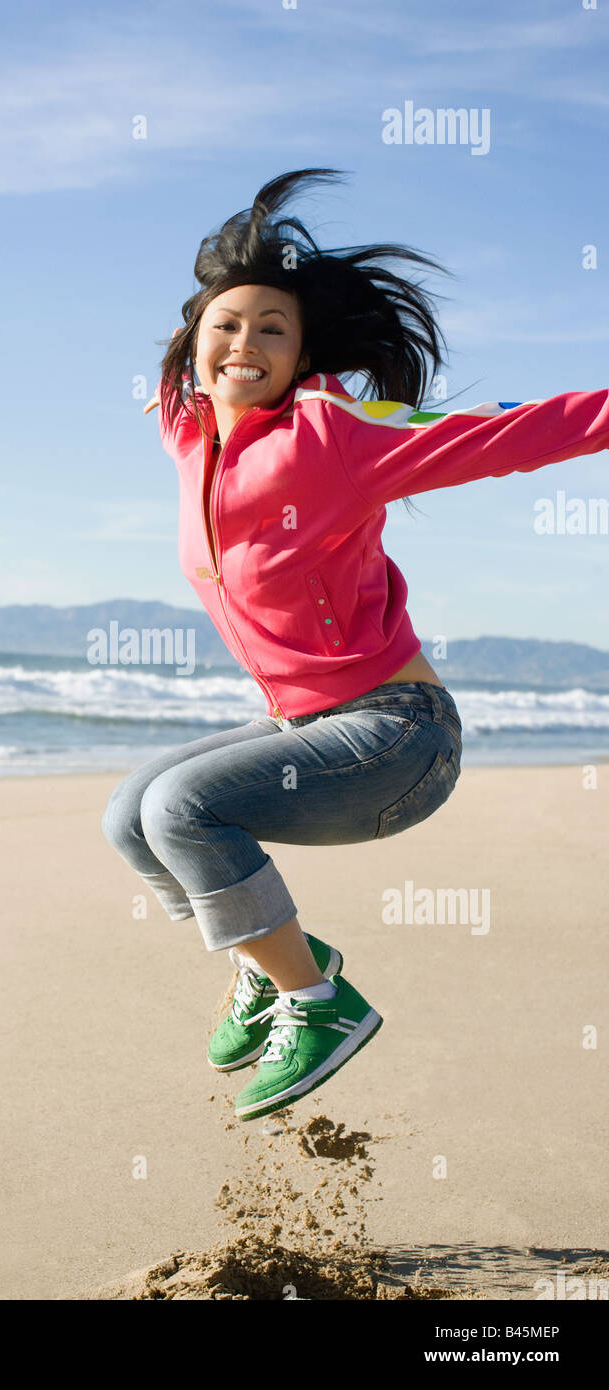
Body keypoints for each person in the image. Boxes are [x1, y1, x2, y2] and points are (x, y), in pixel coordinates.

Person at [102, 168, 609, 1124]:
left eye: (272, 330)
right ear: (192, 340)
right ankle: (273, 967)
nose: (245, 342)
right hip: (307, 727)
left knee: (182, 806)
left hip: (399, 740)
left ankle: (319, 1005)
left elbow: (519, 431)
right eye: (227, 323)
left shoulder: (335, 433)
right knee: (131, 816)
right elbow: (180, 396)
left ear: (303, 356)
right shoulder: (188, 434)